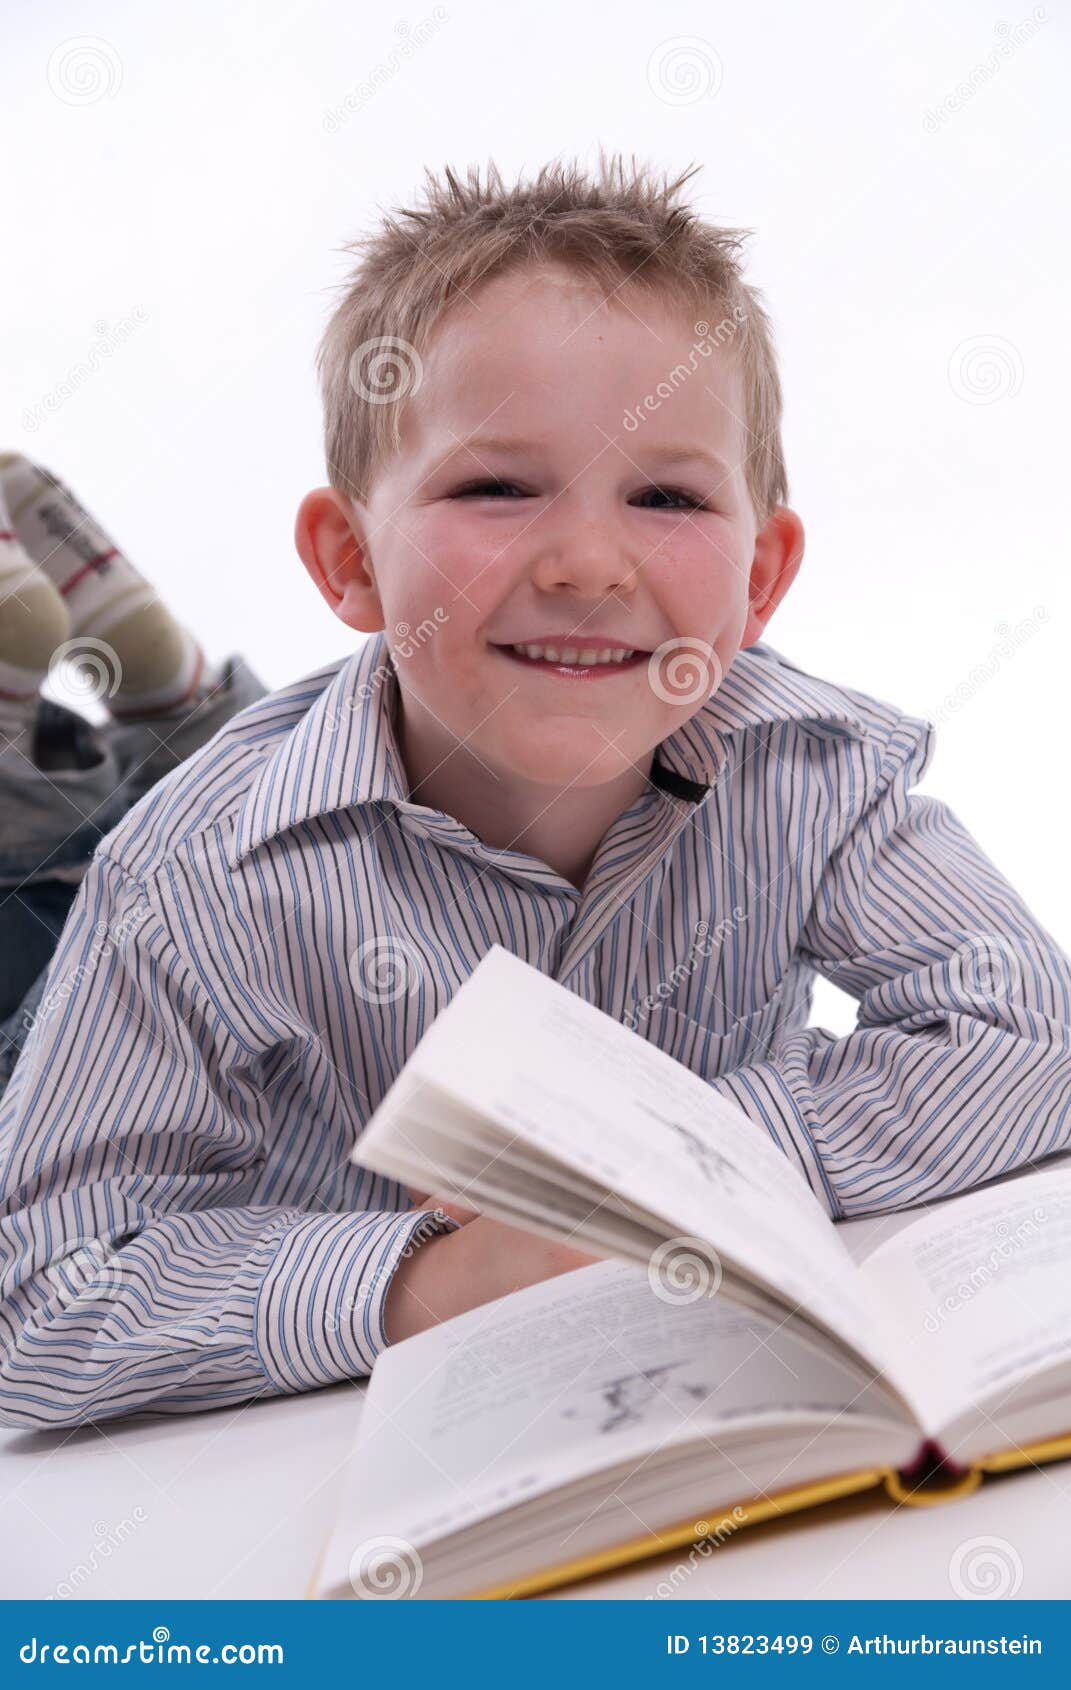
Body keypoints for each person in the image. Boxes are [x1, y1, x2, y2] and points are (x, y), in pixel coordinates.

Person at [2, 156, 1069, 1432]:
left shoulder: (813, 764)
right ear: (350, 559)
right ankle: (132, 703)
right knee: (41, 863)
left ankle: (161, 683)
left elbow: (1027, 1037)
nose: (584, 563)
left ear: (761, 577)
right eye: (496, 487)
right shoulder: (188, 875)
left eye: (667, 496)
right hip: (63, 933)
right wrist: (424, 1280)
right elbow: (42, 1295)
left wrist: (641, 1178)